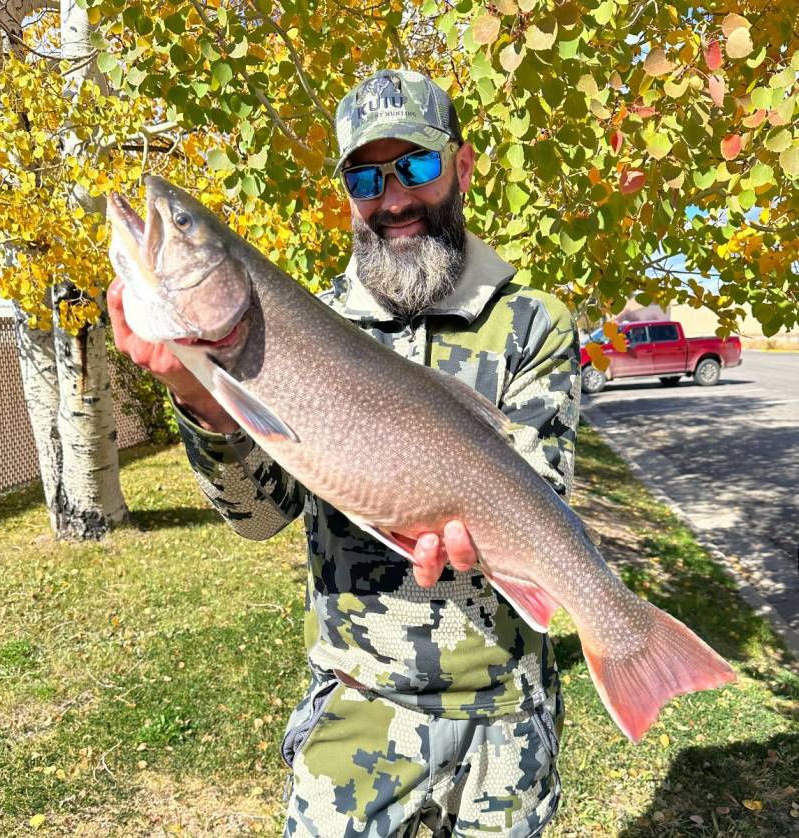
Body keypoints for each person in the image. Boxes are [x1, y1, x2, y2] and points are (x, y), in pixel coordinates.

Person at [109, 68, 580, 838]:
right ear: (347, 194)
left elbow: (544, 493)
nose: (393, 199)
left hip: (507, 721)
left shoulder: (534, 324)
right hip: (358, 712)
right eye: (365, 177)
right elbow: (261, 517)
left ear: (460, 167)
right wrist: (199, 395)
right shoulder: (309, 320)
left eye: (415, 167)